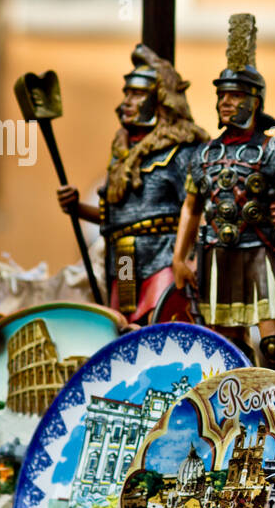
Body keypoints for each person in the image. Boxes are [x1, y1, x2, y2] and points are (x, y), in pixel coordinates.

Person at [172, 14, 275, 369]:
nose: (225, 102)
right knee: (225, 348)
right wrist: (179, 257)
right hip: (217, 257)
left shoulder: (273, 150)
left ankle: (274, 407)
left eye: (235, 96)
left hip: (260, 254)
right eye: (222, 95)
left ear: (254, 101)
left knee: (270, 346)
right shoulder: (203, 155)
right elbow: (191, 208)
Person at [57, 45, 208, 323]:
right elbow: (117, 218)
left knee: (163, 322)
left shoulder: (183, 153)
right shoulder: (123, 158)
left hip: (165, 253)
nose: (127, 100)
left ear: (159, 99)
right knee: (126, 325)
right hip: (124, 258)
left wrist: (192, 258)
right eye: (127, 93)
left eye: (137, 94)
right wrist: (76, 207)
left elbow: (201, 211)